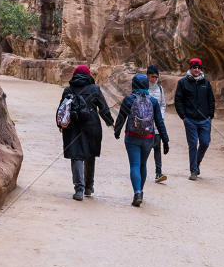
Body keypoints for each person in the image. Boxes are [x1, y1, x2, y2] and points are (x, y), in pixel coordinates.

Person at [58, 64, 113, 200]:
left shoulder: (68, 90)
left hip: (73, 126)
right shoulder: (95, 89)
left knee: (76, 155)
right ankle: (89, 186)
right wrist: (111, 123)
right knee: (90, 154)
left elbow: (62, 109)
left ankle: (79, 190)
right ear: (88, 75)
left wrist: (60, 124)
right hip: (92, 125)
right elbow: (103, 108)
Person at [114, 71, 169, 206]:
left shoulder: (129, 99)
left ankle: (137, 192)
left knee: (134, 165)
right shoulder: (154, 101)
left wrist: (117, 131)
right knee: (143, 164)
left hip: (132, 137)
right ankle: (141, 191)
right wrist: (165, 140)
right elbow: (159, 122)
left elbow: (121, 118)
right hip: (148, 137)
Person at [173, 56, 216, 179]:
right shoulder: (183, 82)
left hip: (205, 119)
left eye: (198, 68)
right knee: (192, 144)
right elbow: (178, 100)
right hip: (190, 119)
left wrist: (210, 115)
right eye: (194, 67)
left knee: (205, 142)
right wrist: (183, 116)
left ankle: (196, 163)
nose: (196, 70)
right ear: (190, 68)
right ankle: (193, 171)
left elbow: (211, 100)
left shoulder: (206, 83)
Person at [146, 64, 167, 183]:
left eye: (156, 76)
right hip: (145, 123)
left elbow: (163, 104)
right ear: (148, 76)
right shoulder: (144, 87)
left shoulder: (160, 88)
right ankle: (139, 169)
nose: (154, 79)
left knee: (157, 147)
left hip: (157, 124)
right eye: (152, 76)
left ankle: (158, 172)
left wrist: (161, 117)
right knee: (146, 148)